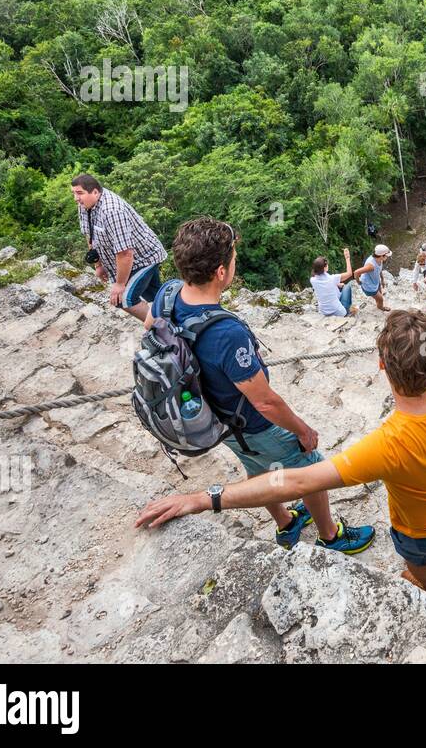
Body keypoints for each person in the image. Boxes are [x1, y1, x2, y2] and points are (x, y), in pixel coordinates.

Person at [136, 310, 426, 622]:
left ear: (382, 365)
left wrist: (206, 498)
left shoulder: (385, 444)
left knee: (419, 565)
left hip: (421, 532)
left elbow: (293, 482)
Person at [139, 216, 373, 553]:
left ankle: (286, 523)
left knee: (255, 465)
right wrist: (303, 430)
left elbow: (152, 333)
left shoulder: (167, 293)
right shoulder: (227, 334)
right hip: (254, 421)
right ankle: (331, 536)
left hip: (213, 418)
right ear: (221, 272)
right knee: (311, 468)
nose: (235, 261)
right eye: (233, 257)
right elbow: (265, 402)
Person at [71, 173, 167, 322]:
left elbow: (126, 253)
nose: (76, 198)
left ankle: (165, 330)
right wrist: (99, 264)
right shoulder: (85, 205)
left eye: (79, 193)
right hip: (130, 260)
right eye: (74, 193)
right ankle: (181, 320)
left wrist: (119, 284)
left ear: (95, 192)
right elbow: (90, 235)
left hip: (144, 257)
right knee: (157, 297)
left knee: (124, 299)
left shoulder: (112, 211)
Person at [310, 249, 360, 317]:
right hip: (339, 312)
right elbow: (349, 273)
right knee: (347, 286)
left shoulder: (313, 280)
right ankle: (348, 311)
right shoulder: (332, 278)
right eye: (326, 265)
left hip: (324, 312)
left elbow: (325, 283)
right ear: (324, 268)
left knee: (340, 286)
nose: (328, 265)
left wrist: (337, 284)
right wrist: (347, 258)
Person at [354, 244, 392, 311]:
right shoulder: (371, 266)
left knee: (380, 293)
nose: (387, 257)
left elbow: (379, 270)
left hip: (375, 280)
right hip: (369, 285)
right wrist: (358, 282)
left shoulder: (380, 259)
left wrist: (382, 279)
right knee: (381, 299)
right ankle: (380, 307)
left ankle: (378, 300)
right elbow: (356, 272)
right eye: (386, 256)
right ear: (381, 256)